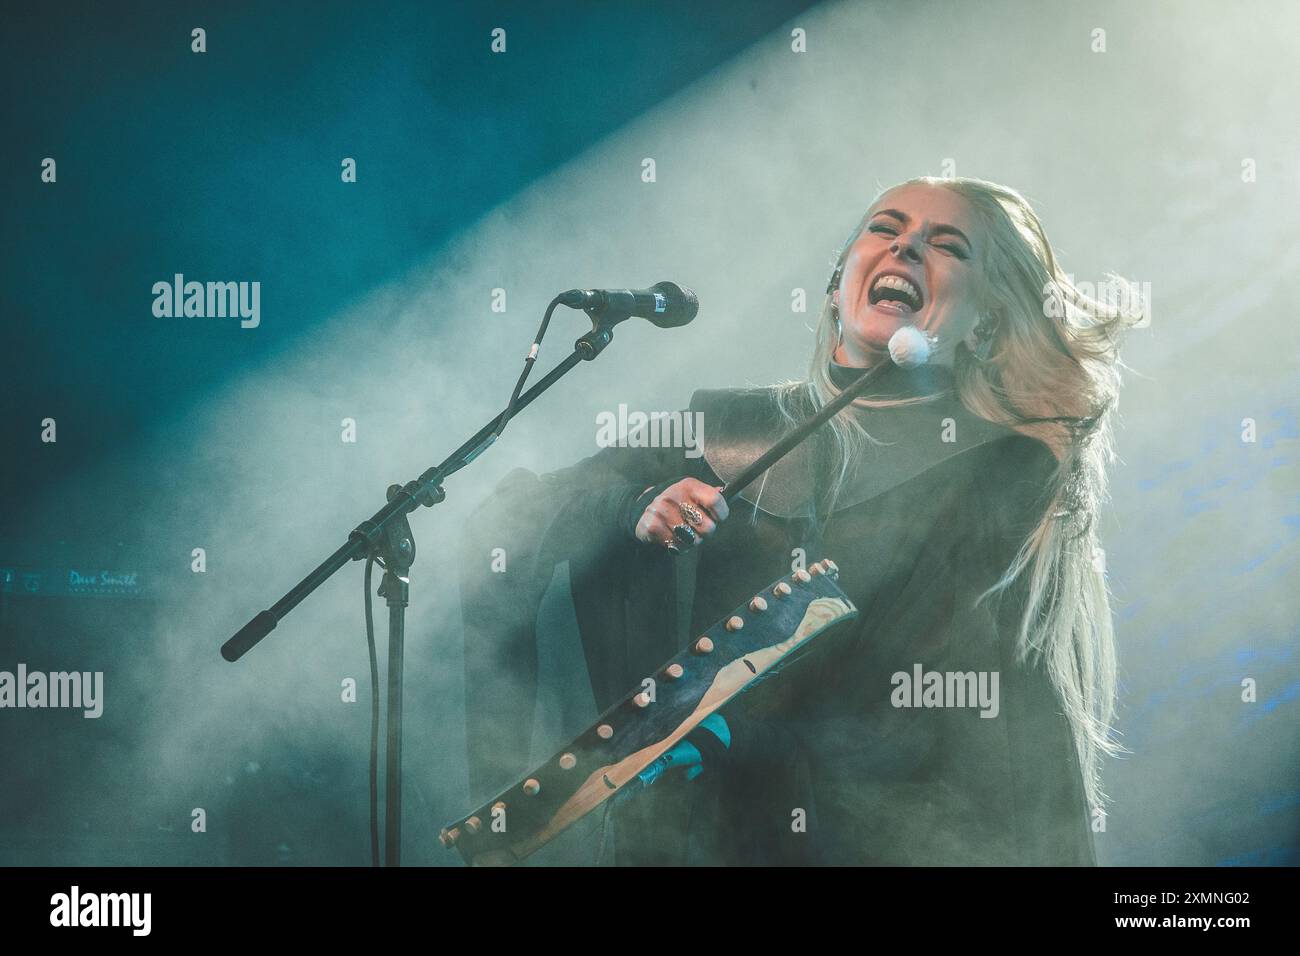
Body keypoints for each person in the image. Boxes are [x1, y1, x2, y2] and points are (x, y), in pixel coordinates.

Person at [458, 176, 1142, 865]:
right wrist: (633, 511)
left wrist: (751, 741)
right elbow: (520, 517)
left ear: (987, 320)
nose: (906, 247)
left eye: (948, 245)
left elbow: (968, 723)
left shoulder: (1000, 469)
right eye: (886, 228)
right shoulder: (722, 423)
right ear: (837, 280)